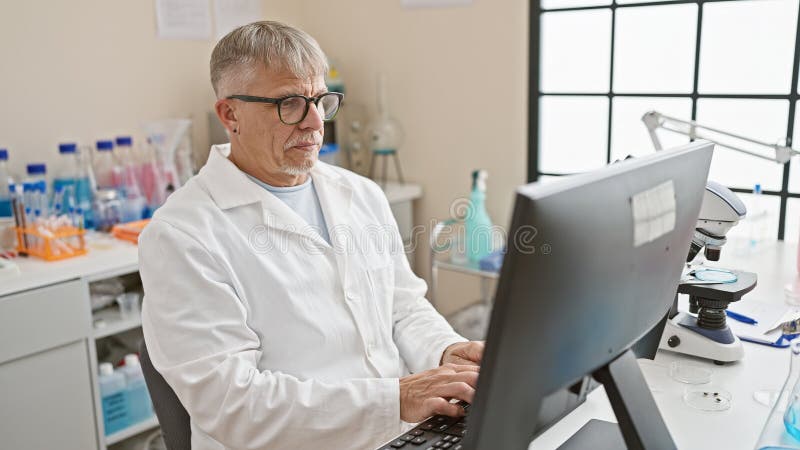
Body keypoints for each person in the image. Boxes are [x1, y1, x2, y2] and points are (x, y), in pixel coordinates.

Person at [140, 21, 484, 450]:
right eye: (289, 103)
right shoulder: (181, 237)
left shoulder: (360, 194)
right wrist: (394, 399)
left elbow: (402, 308)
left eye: (321, 100)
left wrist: (446, 353)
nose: (315, 122)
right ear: (230, 115)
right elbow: (235, 405)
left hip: (401, 433)